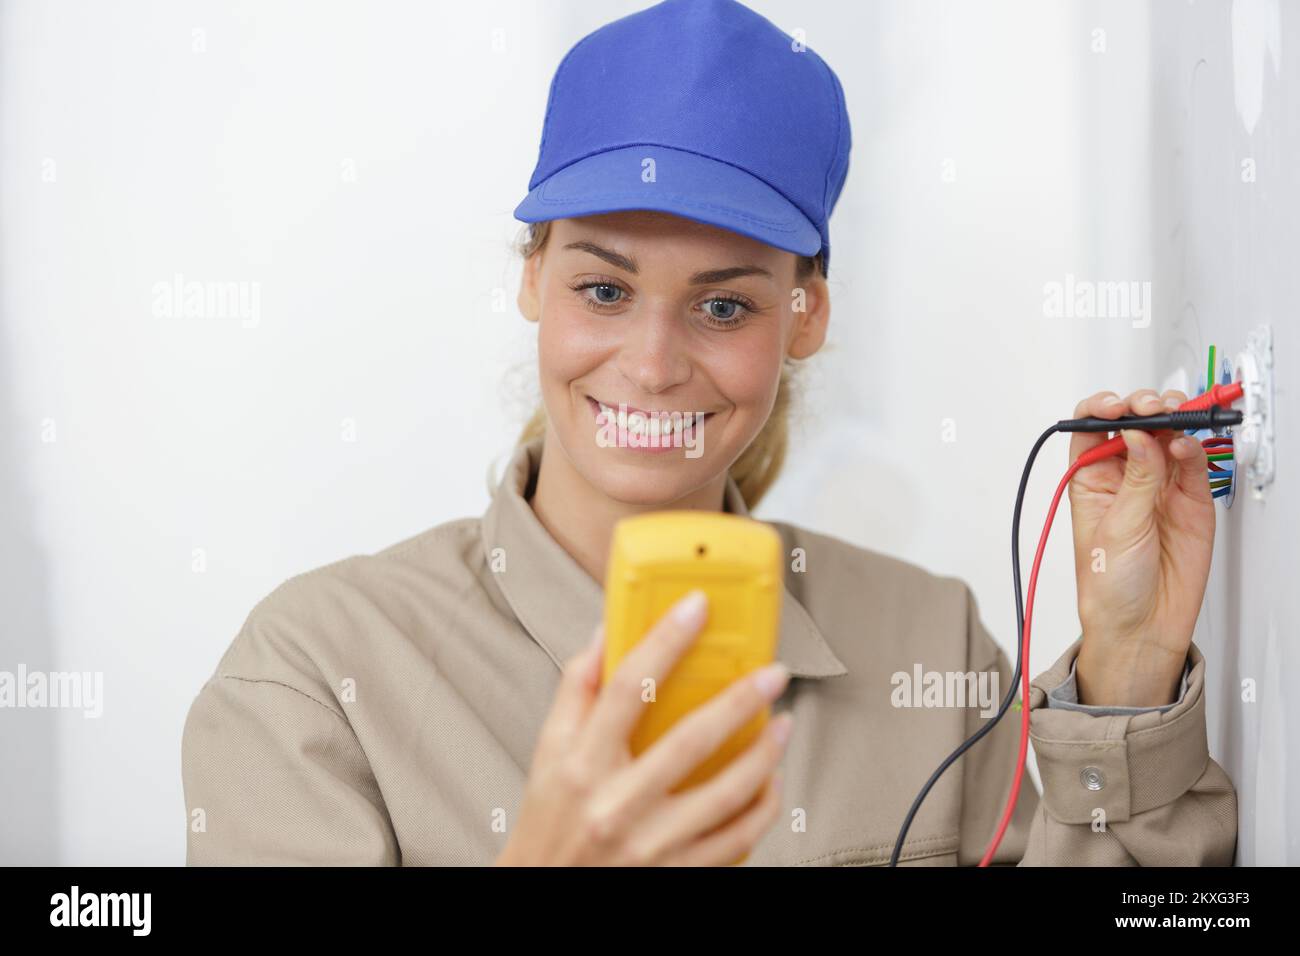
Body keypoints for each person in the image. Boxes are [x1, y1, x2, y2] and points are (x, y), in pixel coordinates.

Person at [181, 0, 1237, 866]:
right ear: (531, 279)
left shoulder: (934, 647)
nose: (650, 361)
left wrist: (1129, 670)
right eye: (602, 287)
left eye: (723, 305)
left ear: (806, 316)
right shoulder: (315, 676)